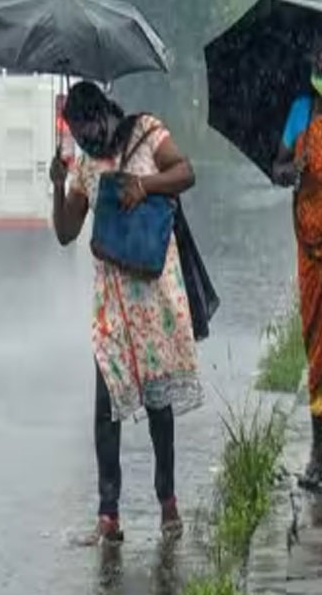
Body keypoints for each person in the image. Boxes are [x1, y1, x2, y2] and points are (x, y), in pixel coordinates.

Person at [49, 81, 202, 544]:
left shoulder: (147, 132)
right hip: (112, 305)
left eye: (88, 127)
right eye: (76, 132)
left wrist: (145, 185)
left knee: (159, 407)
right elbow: (65, 232)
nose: (85, 138)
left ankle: (167, 505)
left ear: (104, 114)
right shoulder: (84, 167)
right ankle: (108, 517)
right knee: (105, 408)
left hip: (152, 296)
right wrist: (58, 187)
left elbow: (186, 171)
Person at [272, 41, 322, 490]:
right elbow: (278, 167)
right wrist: (294, 170)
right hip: (310, 250)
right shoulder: (301, 113)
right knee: (317, 354)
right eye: (319, 58)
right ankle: (318, 456)